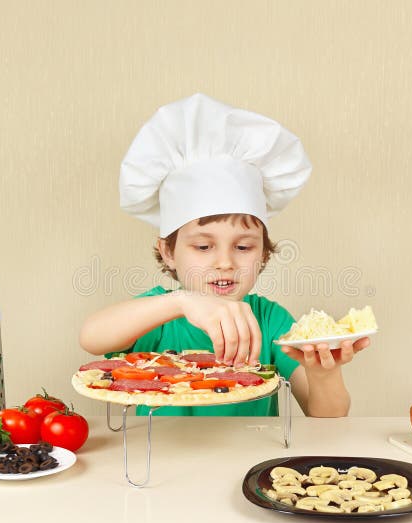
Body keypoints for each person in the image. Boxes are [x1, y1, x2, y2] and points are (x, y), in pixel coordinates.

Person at [80, 94, 370, 417]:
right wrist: (182, 302)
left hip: (249, 466)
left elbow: (328, 417)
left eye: (243, 247)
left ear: (263, 253)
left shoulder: (270, 321)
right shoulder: (162, 319)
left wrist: (323, 373)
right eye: (204, 247)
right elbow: (91, 336)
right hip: (163, 464)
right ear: (169, 252)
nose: (225, 262)